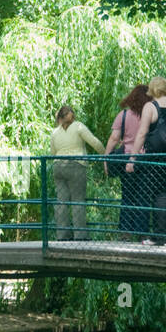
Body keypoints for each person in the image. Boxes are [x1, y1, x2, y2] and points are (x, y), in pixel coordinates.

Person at [126, 76, 166, 244]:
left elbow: (142, 133)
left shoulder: (151, 106)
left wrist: (132, 159)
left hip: (161, 157)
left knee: (159, 194)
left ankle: (159, 237)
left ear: (152, 89)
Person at [49, 103, 104, 240]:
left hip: (58, 167)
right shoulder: (79, 127)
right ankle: (80, 235)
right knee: (77, 199)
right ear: (73, 116)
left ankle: (62, 235)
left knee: (61, 201)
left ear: (59, 118)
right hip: (76, 165)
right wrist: (105, 154)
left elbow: (52, 152)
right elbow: (94, 142)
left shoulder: (55, 132)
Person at [103, 84, 152, 239]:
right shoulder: (150, 115)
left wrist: (106, 158)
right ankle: (142, 233)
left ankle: (126, 231)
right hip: (145, 159)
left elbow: (114, 138)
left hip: (126, 158)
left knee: (128, 195)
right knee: (143, 196)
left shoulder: (123, 115)